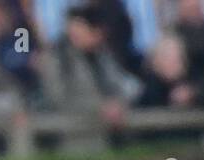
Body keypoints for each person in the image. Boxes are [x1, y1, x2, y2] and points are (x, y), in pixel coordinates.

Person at [37, 4, 142, 138]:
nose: (73, 34)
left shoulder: (103, 56)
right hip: (74, 136)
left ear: (97, 32)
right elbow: (57, 96)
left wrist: (119, 104)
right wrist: (100, 107)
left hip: (110, 135)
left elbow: (126, 85)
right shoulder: (57, 58)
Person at [137, 34, 204, 107]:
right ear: (155, 61)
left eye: (177, 56)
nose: (173, 62)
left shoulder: (193, 79)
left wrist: (192, 94)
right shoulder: (149, 88)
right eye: (167, 57)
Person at [173, 0, 204, 104]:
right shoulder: (176, 33)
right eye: (190, 8)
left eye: (196, 7)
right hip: (190, 89)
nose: (194, 11)